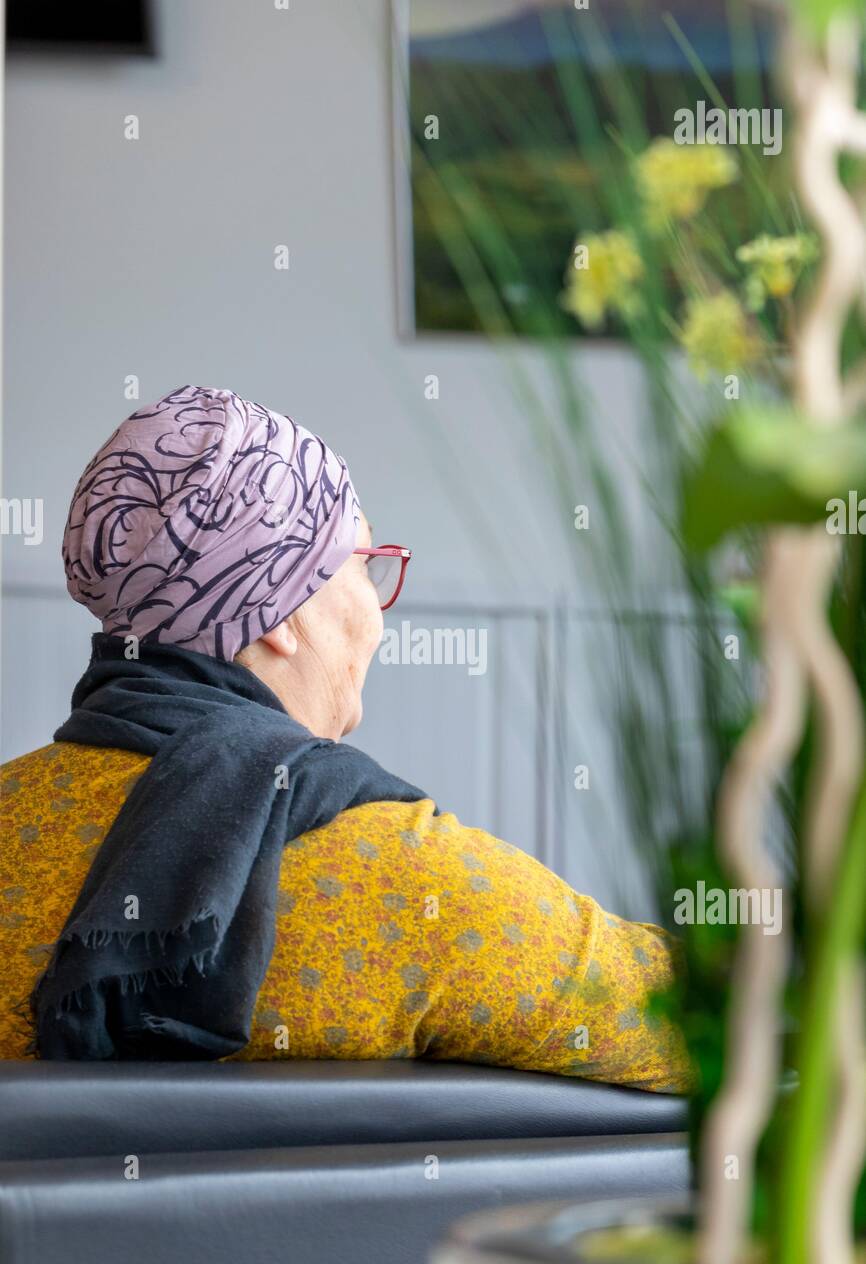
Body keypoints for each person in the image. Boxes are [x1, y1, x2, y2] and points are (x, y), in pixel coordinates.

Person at [0, 384, 690, 1090]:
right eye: (365, 564)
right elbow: (702, 1018)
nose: (379, 610)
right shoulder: (414, 883)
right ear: (278, 609)